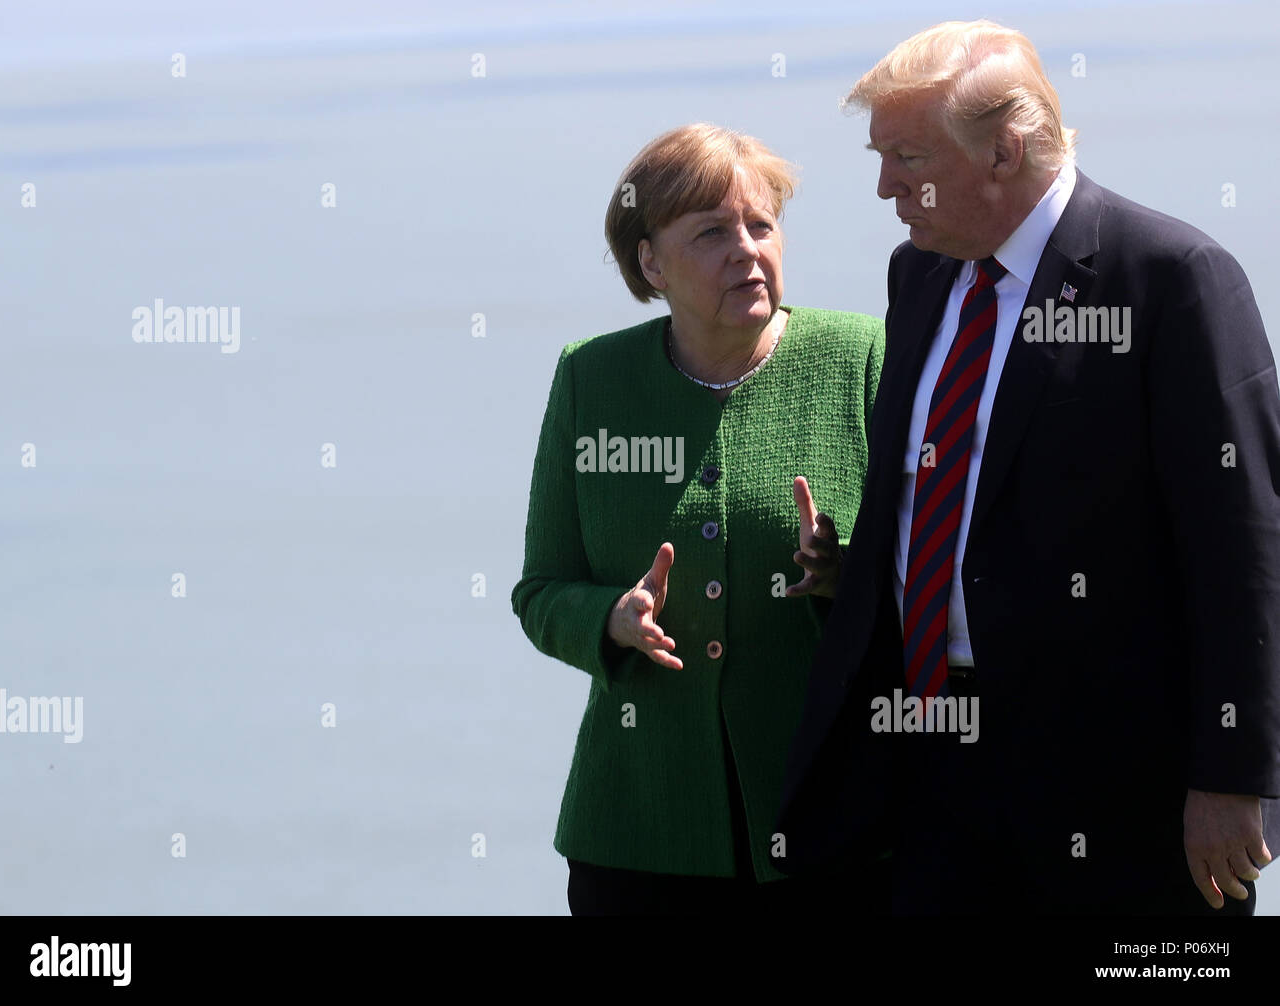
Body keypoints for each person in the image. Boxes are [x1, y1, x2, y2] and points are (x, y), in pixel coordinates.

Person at [773, 20, 1280, 915]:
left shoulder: (1172, 278)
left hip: (1124, 794)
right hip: (930, 763)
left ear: (1004, 152)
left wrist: (1235, 777)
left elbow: (1244, 547)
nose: (885, 184)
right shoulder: (919, 275)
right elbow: (956, 498)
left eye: (906, 155)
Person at [510, 122, 887, 915]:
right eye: (713, 232)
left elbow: (938, 573)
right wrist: (609, 619)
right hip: (638, 836)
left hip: (835, 832)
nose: (747, 250)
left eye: (762, 225)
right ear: (650, 261)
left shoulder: (861, 358)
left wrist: (843, 570)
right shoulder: (592, 379)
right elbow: (541, 591)